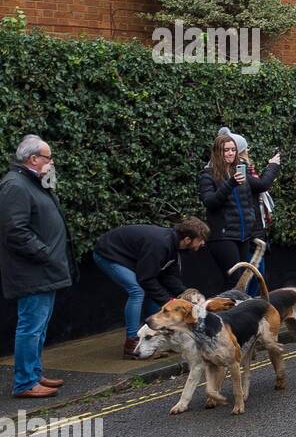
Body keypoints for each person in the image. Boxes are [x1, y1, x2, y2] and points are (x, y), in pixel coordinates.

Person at [0, 136, 74, 399]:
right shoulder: (15, 186)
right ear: (32, 159)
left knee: (39, 327)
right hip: (32, 269)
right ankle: (25, 382)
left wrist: (48, 177)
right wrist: (44, 254)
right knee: (30, 326)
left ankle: (33, 372)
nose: (51, 162)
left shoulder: (34, 182)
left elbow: (51, 204)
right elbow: (14, 231)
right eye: (48, 158)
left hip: (44, 269)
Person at [93, 218, 209, 357]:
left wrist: (185, 294)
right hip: (109, 253)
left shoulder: (175, 247)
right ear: (188, 239)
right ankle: (132, 343)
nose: (203, 243)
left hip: (129, 256)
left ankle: (158, 340)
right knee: (137, 290)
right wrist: (170, 302)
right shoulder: (160, 244)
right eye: (201, 239)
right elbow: (146, 278)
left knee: (154, 293)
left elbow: (168, 276)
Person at [199, 129, 280, 289]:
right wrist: (231, 183)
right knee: (233, 280)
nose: (230, 153)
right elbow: (210, 202)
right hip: (223, 236)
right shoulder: (208, 175)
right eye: (226, 150)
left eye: (233, 150)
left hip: (243, 236)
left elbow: (262, 185)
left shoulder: (240, 169)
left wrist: (273, 166)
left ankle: (240, 311)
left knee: (242, 280)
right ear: (217, 152)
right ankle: (229, 313)